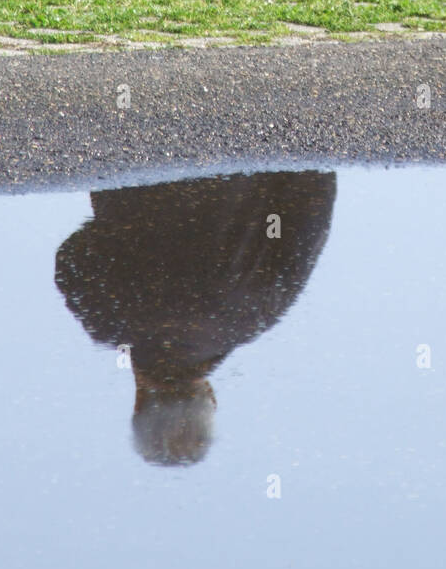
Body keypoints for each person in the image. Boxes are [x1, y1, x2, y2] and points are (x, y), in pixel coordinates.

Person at [55, 170, 337, 465]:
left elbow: (314, 190)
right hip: (124, 145)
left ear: (211, 399)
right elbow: (70, 258)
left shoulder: (258, 312)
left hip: (249, 139)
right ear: (139, 402)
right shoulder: (105, 320)